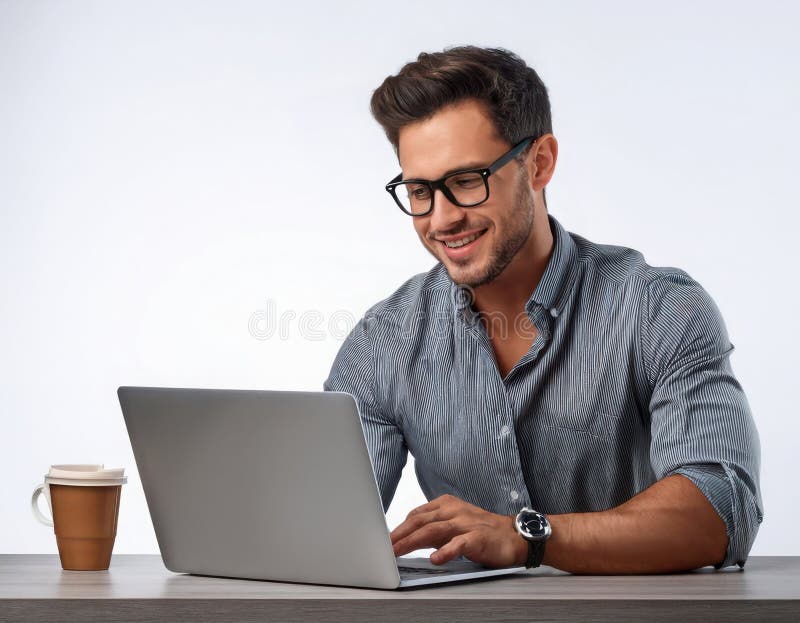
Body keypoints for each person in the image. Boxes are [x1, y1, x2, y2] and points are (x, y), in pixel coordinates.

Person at [323, 45, 763, 574]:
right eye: (420, 190)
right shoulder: (383, 341)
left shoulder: (658, 308)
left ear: (540, 163)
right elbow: (319, 526)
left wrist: (528, 536)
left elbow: (722, 509)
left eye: (466, 182)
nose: (441, 220)